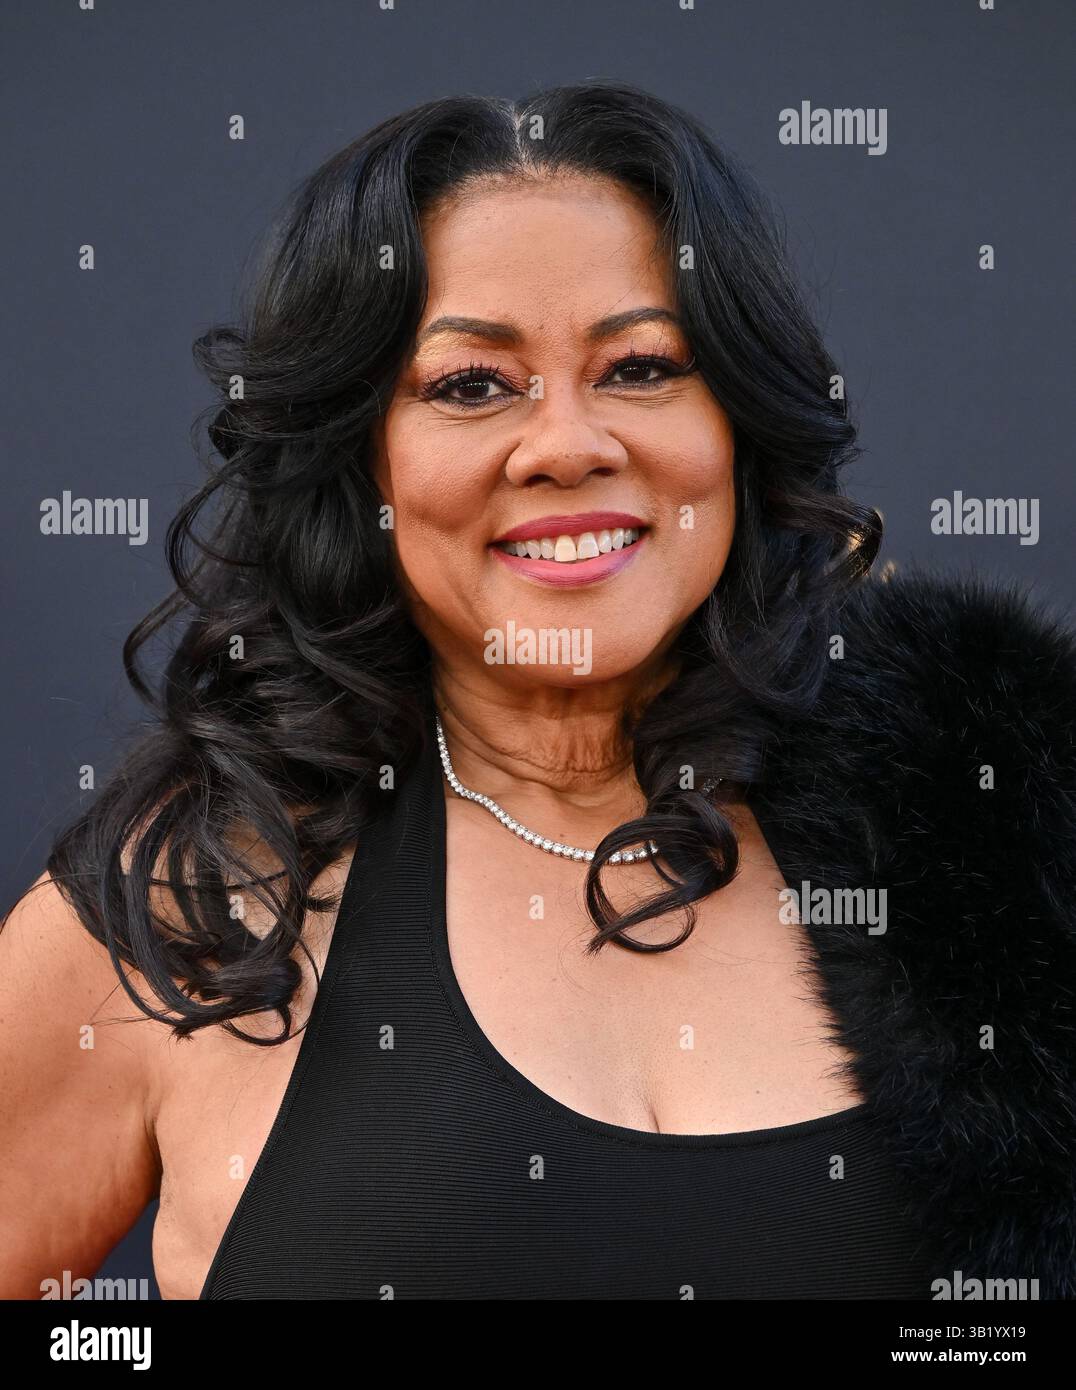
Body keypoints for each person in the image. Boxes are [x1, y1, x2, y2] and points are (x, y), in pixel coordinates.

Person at [3, 82, 1074, 1301]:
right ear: (360, 460)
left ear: (737, 421)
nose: (566, 442)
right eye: (471, 383)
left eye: (640, 366)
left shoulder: (989, 835)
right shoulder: (191, 904)